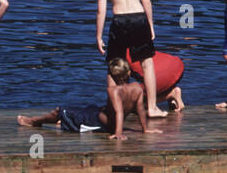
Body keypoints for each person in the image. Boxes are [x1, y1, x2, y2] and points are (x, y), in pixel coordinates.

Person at [17, 57, 162, 140]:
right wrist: (145, 129)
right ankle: (60, 122)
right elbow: (141, 110)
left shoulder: (114, 90)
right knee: (90, 107)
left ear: (112, 75)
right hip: (98, 114)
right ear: (129, 72)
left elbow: (119, 112)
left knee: (60, 110)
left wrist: (118, 133)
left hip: (98, 123)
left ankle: (33, 121)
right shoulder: (137, 87)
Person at [97, 0, 166, 117]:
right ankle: (151, 107)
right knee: (147, 64)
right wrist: (150, 25)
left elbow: (101, 12)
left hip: (119, 20)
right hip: (138, 18)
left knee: (113, 65)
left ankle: (113, 109)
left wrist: (98, 37)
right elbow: (146, 1)